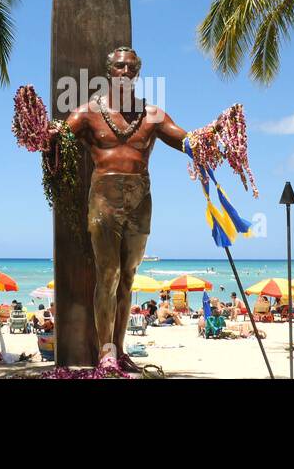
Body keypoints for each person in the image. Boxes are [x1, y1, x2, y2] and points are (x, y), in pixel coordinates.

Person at [47, 46, 193, 370]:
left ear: (137, 73)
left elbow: (184, 139)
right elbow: (58, 140)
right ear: (109, 72)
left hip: (141, 198)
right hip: (103, 197)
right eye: (119, 68)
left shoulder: (151, 115)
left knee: (128, 276)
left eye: (130, 68)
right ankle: (105, 352)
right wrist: (47, 135)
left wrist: (208, 141)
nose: (125, 73)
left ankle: (121, 349)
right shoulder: (87, 112)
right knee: (109, 274)